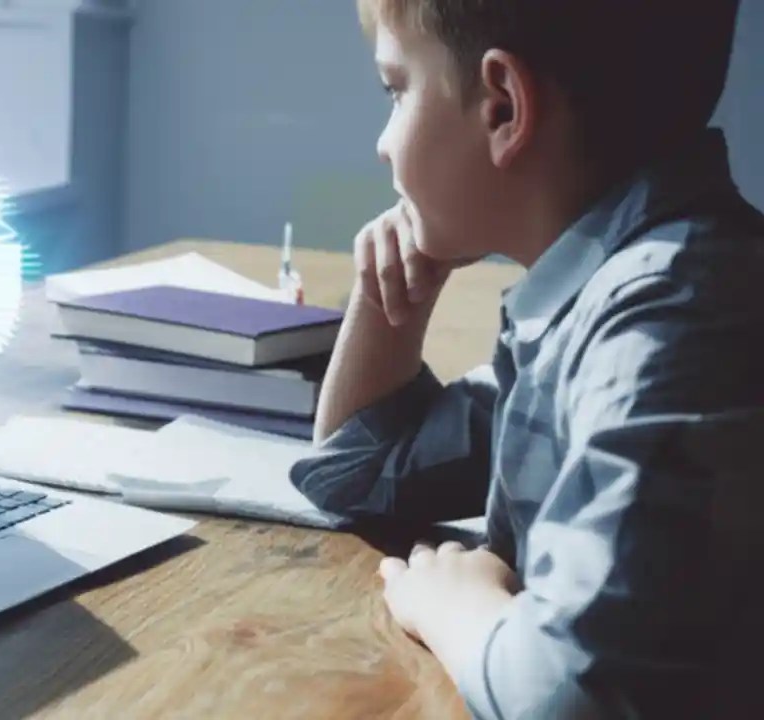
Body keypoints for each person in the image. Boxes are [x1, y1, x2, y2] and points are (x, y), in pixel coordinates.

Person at [289, 1, 764, 717]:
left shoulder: (674, 317)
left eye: (396, 90)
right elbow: (356, 473)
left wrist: (455, 608)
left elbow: (577, 695)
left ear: (504, 108)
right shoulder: (590, 297)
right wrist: (391, 297)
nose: (384, 145)